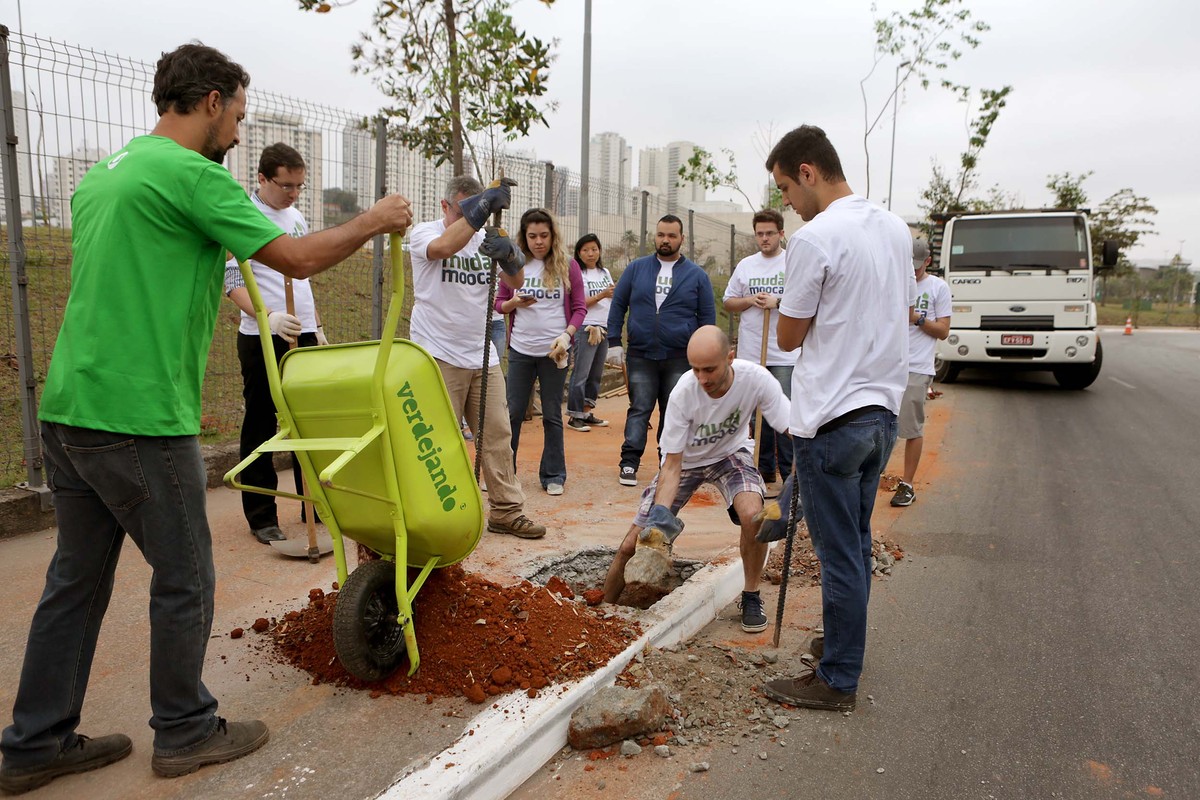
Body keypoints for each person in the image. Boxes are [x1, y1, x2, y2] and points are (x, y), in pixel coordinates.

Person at [0, 43, 413, 794]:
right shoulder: (193, 175)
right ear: (213, 101)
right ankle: (185, 728)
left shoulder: (106, 174)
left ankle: (35, 743)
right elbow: (296, 258)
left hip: (70, 407)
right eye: (239, 115)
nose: (239, 133)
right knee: (186, 574)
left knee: (75, 580)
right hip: (139, 415)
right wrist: (374, 220)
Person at [762, 124, 915, 713]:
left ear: (807, 171)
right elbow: (898, 310)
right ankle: (841, 646)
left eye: (785, 187)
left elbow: (789, 336)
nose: (787, 203)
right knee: (856, 540)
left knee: (839, 554)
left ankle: (838, 679)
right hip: (880, 414)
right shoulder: (894, 228)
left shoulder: (816, 238)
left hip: (831, 420)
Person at [601, 326, 789, 633]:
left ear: (730, 357)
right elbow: (672, 465)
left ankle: (751, 595)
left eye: (709, 369)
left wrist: (799, 484)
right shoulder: (684, 393)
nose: (702, 378)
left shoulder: (756, 379)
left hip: (731, 454)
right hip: (686, 462)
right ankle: (602, 607)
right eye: (695, 369)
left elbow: (792, 428)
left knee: (754, 518)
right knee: (631, 543)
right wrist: (660, 520)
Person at [407, 176, 547, 539]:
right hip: (437, 353)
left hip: (482, 354)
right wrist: (482, 208)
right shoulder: (425, 233)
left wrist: (509, 255)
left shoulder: (484, 237)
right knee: (440, 442)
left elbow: (516, 282)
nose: (472, 218)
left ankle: (506, 511)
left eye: (478, 209)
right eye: (464, 210)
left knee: (498, 435)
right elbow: (442, 248)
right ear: (444, 206)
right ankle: (439, 516)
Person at [224, 142, 326, 544]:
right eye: (286, 186)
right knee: (263, 424)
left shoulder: (295, 216)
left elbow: (303, 279)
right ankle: (261, 514)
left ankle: (312, 503)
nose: (294, 194)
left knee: (309, 421)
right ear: (262, 178)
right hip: (264, 336)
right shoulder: (244, 216)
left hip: (302, 331)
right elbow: (231, 281)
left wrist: (317, 326)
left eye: (300, 186)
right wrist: (266, 317)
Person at [607, 215, 716, 487]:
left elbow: (707, 318)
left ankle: (667, 461)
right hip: (641, 354)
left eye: (671, 236)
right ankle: (629, 462)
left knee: (674, 411)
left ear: (682, 239)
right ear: (654, 237)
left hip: (679, 357)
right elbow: (618, 304)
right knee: (639, 408)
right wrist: (613, 341)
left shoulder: (697, 275)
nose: (665, 240)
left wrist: (706, 354)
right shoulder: (636, 269)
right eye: (661, 235)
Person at [495, 208, 586, 496]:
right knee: (513, 413)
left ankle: (554, 474)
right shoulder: (514, 265)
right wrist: (514, 303)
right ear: (524, 237)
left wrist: (566, 336)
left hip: (554, 352)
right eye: (532, 236)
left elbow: (580, 308)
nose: (538, 241)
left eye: (544, 235)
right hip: (521, 350)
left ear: (552, 236)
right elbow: (499, 303)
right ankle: (505, 475)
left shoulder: (567, 266)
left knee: (552, 415)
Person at [722, 208, 792, 492]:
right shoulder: (746, 265)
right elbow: (729, 301)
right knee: (755, 413)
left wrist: (778, 302)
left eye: (770, 233)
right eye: (760, 234)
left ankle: (789, 475)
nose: (764, 238)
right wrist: (750, 300)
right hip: (752, 351)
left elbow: (806, 300)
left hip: (785, 353)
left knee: (784, 412)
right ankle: (763, 470)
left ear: (781, 234)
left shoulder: (792, 263)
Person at [892, 237, 951, 507]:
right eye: (908, 265)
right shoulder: (893, 283)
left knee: (911, 427)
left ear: (928, 261)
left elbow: (943, 331)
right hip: (887, 365)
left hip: (917, 367)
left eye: (917, 266)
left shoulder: (938, 287)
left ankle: (907, 484)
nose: (912, 271)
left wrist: (916, 318)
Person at [566, 233, 615, 432]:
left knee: (595, 374)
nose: (590, 253)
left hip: (603, 327)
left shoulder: (604, 272)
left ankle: (586, 412)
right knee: (581, 373)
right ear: (579, 253)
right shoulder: (578, 273)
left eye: (594, 249)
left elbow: (612, 296)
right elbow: (577, 303)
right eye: (585, 250)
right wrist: (602, 295)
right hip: (585, 327)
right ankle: (574, 415)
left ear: (599, 251)